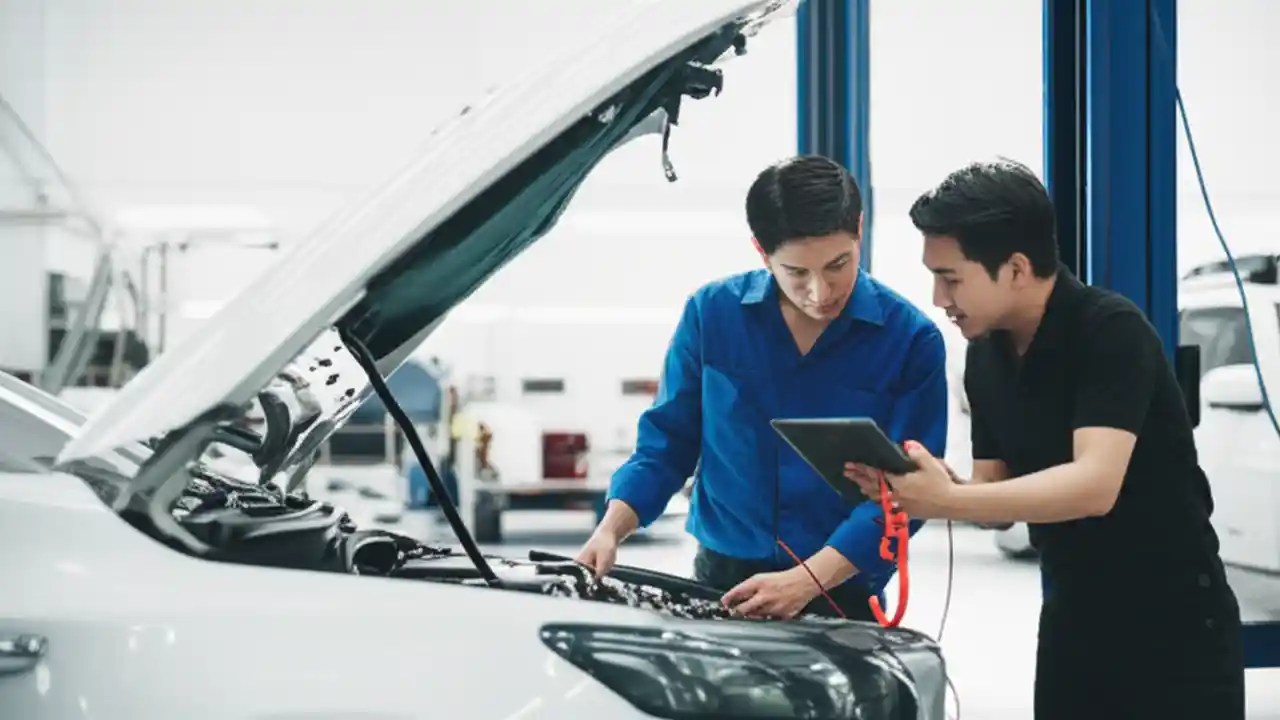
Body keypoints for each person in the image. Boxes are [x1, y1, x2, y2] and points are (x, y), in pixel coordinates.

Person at [846, 159, 1245, 718]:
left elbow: (1094, 485)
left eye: (951, 277)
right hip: (1072, 617)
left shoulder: (1110, 330)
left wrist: (949, 499)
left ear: (1014, 268)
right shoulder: (985, 356)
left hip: (1172, 622)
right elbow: (994, 501)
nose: (938, 298)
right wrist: (919, 487)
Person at [575, 154, 949, 621]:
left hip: (843, 586)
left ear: (859, 227)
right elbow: (666, 445)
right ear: (760, 251)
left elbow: (909, 495)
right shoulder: (712, 316)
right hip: (722, 578)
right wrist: (611, 529)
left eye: (838, 264)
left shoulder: (911, 340)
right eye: (796, 273)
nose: (820, 291)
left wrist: (807, 581)